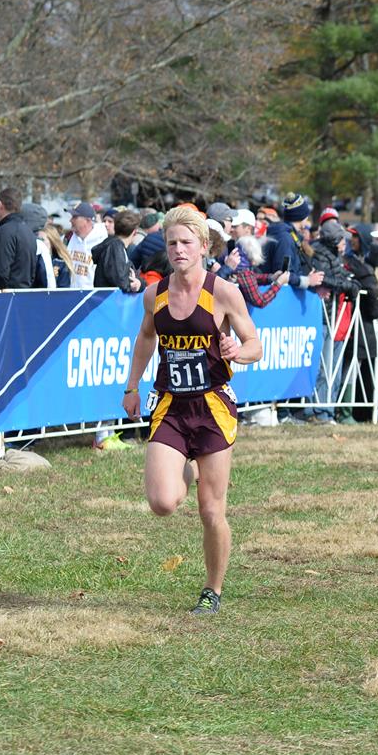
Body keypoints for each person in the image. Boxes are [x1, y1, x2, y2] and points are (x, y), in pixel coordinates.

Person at [123, 206, 263, 615]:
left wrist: (238, 351)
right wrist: (132, 386)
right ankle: (191, 467)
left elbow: (255, 344)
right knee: (163, 503)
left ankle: (212, 590)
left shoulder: (223, 292)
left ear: (203, 246)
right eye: (172, 243)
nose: (179, 250)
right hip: (171, 405)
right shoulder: (155, 294)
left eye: (186, 242)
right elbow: (145, 338)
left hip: (212, 407)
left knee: (210, 509)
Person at [0, 188, 37, 290]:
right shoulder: (28, 231)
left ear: (0, 205)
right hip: (24, 292)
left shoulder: (5, 231)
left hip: (6, 294)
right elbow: (32, 271)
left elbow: (0, 271)